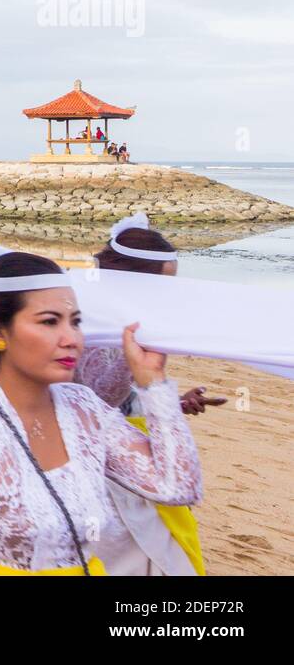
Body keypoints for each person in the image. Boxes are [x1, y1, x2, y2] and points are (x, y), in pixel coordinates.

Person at [0, 248, 203, 575]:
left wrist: (154, 383)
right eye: (50, 322)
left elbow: (179, 487)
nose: (71, 339)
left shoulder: (84, 408)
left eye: (75, 322)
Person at [74, 213, 221, 575]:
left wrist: (174, 402)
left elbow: (122, 400)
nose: (168, 292)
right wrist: (140, 366)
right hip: (99, 464)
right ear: (133, 279)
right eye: (163, 282)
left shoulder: (122, 316)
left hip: (132, 445)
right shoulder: (91, 321)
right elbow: (98, 397)